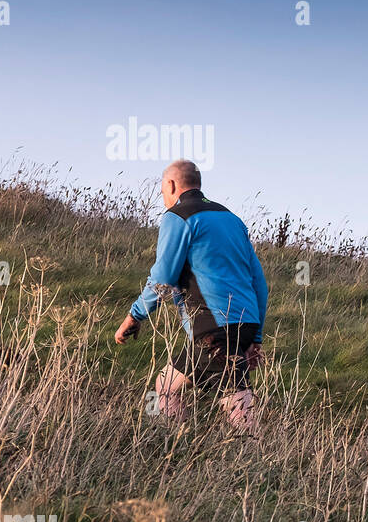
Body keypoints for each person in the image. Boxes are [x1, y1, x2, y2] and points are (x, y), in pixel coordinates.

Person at [114, 160, 269, 431]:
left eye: (162, 189)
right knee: (170, 384)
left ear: (172, 185)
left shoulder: (178, 216)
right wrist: (254, 337)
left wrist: (134, 316)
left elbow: (163, 279)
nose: (162, 196)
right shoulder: (232, 220)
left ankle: (185, 447)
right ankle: (190, 446)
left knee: (234, 400)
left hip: (213, 326)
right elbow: (259, 284)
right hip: (246, 322)